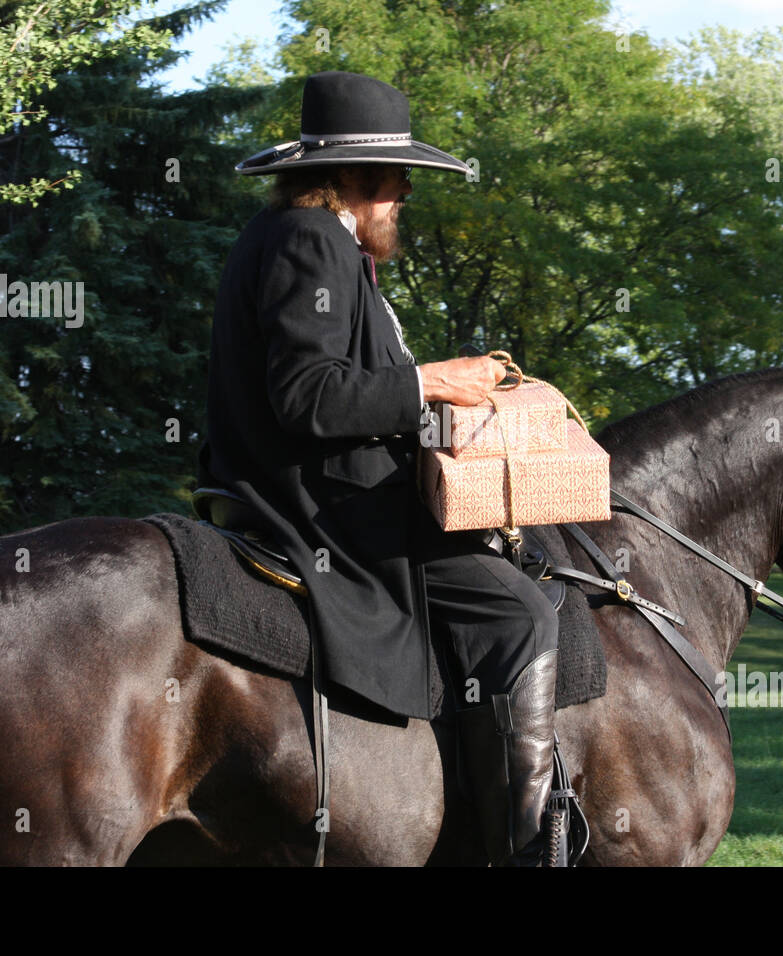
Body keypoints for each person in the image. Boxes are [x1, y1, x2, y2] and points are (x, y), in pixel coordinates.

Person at [196, 71, 560, 865]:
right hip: (325, 510)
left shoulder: (290, 239)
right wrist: (432, 380)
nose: (404, 196)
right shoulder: (314, 238)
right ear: (351, 178)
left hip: (309, 489)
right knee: (521, 614)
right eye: (397, 179)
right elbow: (308, 398)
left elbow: (337, 395)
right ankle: (525, 849)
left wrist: (442, 411)